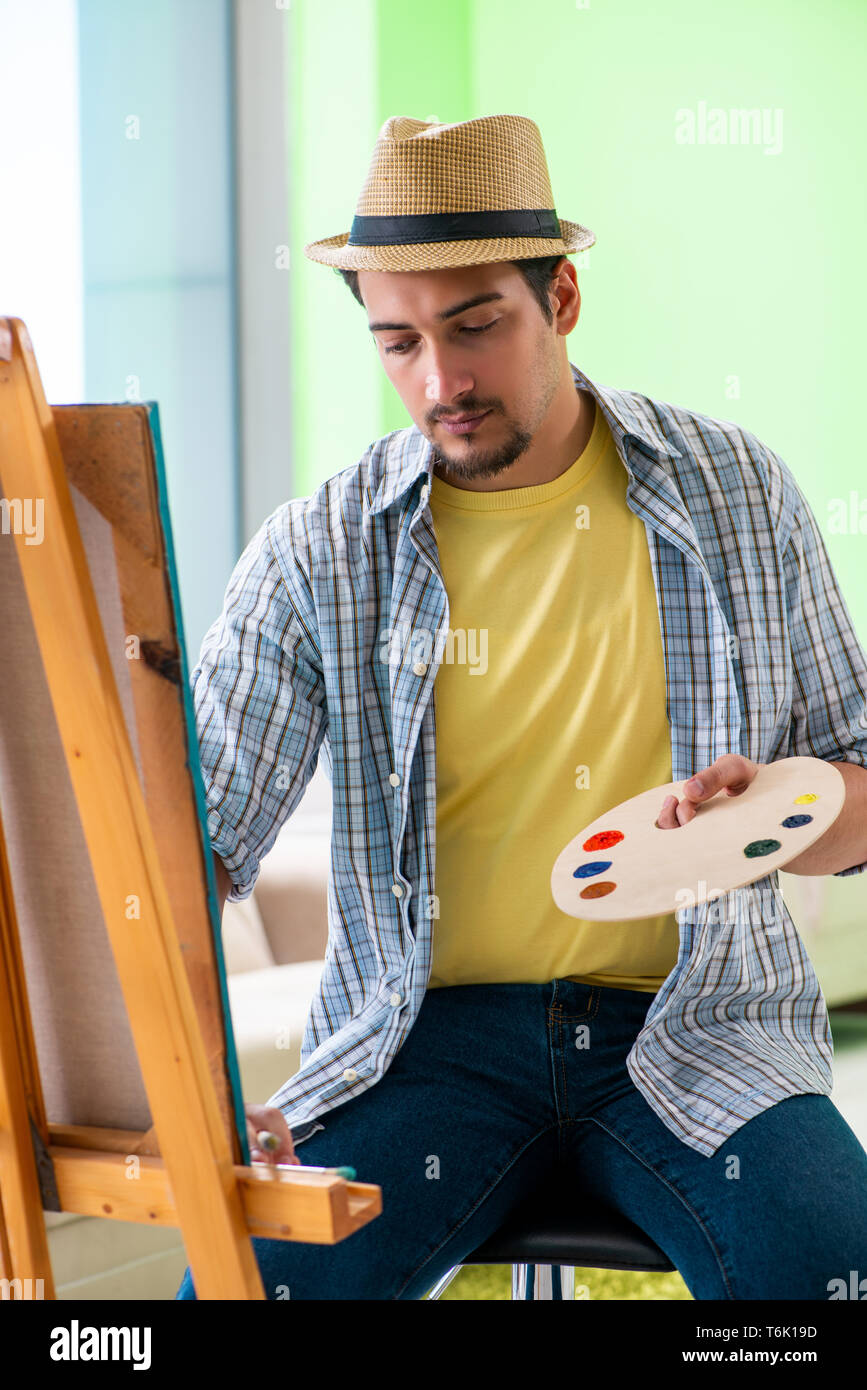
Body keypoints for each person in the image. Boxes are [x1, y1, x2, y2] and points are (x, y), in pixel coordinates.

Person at [176, 114, 867, 1300]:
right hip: (421, 1050)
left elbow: (858, 794)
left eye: (476, 325)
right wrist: (196, 1097)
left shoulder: (739, 492)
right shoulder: (318, 552)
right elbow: (194, 856)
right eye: (398, 342)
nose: (440, 381)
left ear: (563, 297)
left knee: (832, 1277)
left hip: (703, 1025)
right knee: (246, 1294)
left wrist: (783, 811)